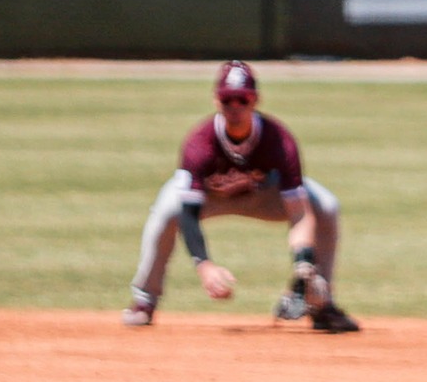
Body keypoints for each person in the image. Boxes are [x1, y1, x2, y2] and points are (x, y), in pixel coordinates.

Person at [121, 60, 360, 333]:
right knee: (166, 209)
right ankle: (144, 301)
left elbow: (298, 212)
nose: (235, 107)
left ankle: (321, 303)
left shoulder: (278, 140)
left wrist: (303, 263)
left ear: (255, 100)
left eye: (242, 99)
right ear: (215, 99)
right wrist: (204, 265)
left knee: (326, 205)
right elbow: (188, 215)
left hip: (264, 196)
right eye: (227, 99)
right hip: (211, 199)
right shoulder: (200, 143)